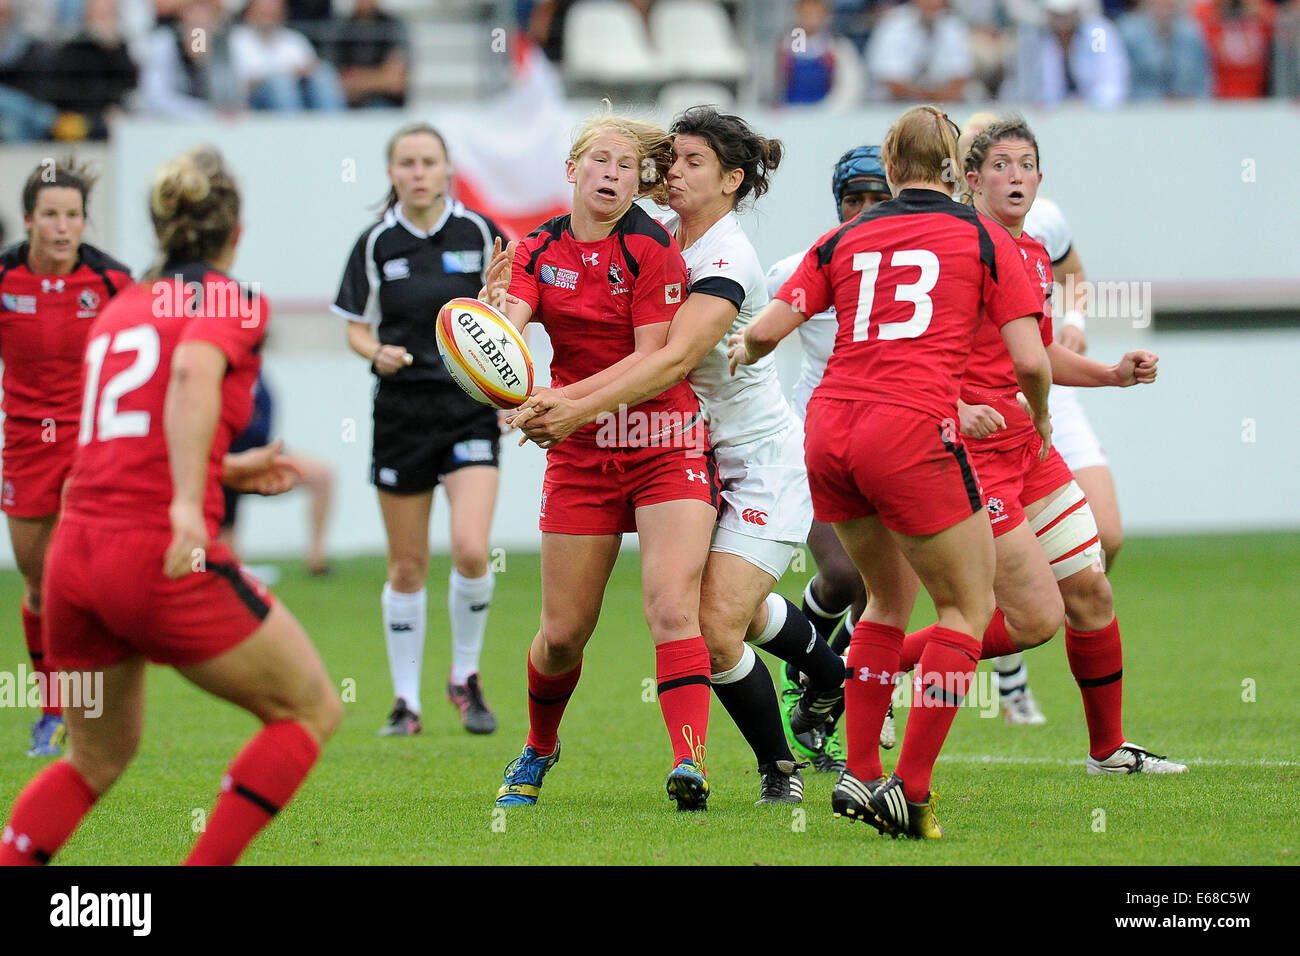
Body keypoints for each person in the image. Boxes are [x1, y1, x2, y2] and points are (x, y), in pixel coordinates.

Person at [0, 145, 342, 866]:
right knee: (312, 708)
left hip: (75, 560)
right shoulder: (230, 299)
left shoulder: (122, 304)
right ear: (236, 231)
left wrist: (225, 468)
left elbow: (132, 429)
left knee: (92, 760)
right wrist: (192, 502)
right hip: (151, 551)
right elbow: (190, 369)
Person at [730, 105, 1053, 838]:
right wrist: (1043, 415)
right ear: (953, 167)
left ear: (889, 159)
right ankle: (908, 787)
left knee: (882, 602)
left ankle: (861, 777)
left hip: (830, 430)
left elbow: (765, 333)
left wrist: (742, 357)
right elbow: (1030, 360)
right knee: (965, 613)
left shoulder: (841, 237)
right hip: (909, 428)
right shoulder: (983, 237)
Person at [512, 106, 847, 805]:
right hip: (689, 446)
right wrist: (502, 295)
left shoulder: (727, 259)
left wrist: (571, 406)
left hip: (756, 460)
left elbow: (670, 363)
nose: (673, 172)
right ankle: (827, 668)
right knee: (722, 612)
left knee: (711, 622)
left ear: (731, 181)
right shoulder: (657, 233)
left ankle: (778, 770)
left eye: (693, 162)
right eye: (672, 158)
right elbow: (570, 275)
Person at [891, 116, 1186, 777]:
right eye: (1000, 165)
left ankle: (1107, 752)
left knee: (1093, 595)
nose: (1015, 176)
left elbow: (1038, 352)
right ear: (970, 180)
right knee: (1031, 621)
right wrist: (955, 408)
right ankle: (875, 666)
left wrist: (1111, 374)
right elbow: (904, 350)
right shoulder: (959, 249)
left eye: (1026, 164)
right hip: (972, 464)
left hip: (1029, 450)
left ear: (1040, 179)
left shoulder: (1028, 253)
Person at [484, 110, 720, 811]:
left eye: (626, 166)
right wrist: (489, 316)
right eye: (601, 161)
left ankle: (691, 764)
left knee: (673, 609)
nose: (613, 174)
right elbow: (505, 334)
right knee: (560, 636)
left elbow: (653, 359)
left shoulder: (652, 250)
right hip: (582, 455)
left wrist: (559, 401)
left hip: (662, 443)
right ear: (573, 170)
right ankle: (541, 746)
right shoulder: (536, 248)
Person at [333, 122, 506, 736]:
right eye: (406, 162)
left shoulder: (483, 234)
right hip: (401, 414)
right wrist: (371, 351)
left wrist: (510, 386)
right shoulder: (376, 241)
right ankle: (406, 703)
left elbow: (512, 311)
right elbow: (355, 323)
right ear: (392, 172)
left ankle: (465, 677)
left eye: (428, 161)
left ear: (446, 168)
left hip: (467, 409)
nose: (418, 172)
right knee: (406, 566)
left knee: (469, 549)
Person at [765, 145, 915, 766]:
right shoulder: (799, 269)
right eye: (853, 200)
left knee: (883, 590)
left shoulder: (916, 274)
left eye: (878, 199)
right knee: (850, 576)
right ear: (837, 206)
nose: (864, 211)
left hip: (893, 443)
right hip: (815, 444)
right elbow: (749, 340)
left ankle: (832, 710)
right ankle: (819, 675)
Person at [0, 159, 133, 757]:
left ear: (85, 221)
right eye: (50, 215)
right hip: (26, 448)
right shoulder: (3, 280)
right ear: (28, 219)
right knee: (37, 584)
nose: (61, 226)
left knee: (87, 582)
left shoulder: (112, 283)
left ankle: (87, 710)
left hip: (90, 451)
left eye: (72, 215)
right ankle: (51, 706)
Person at [218, 372, 336, 578]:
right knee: (226, 564)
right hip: (224, 462)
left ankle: (317, 560)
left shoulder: (257, 370)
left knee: (321, 475)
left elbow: (263, 425)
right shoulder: (216, 367)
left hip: (262, 456)